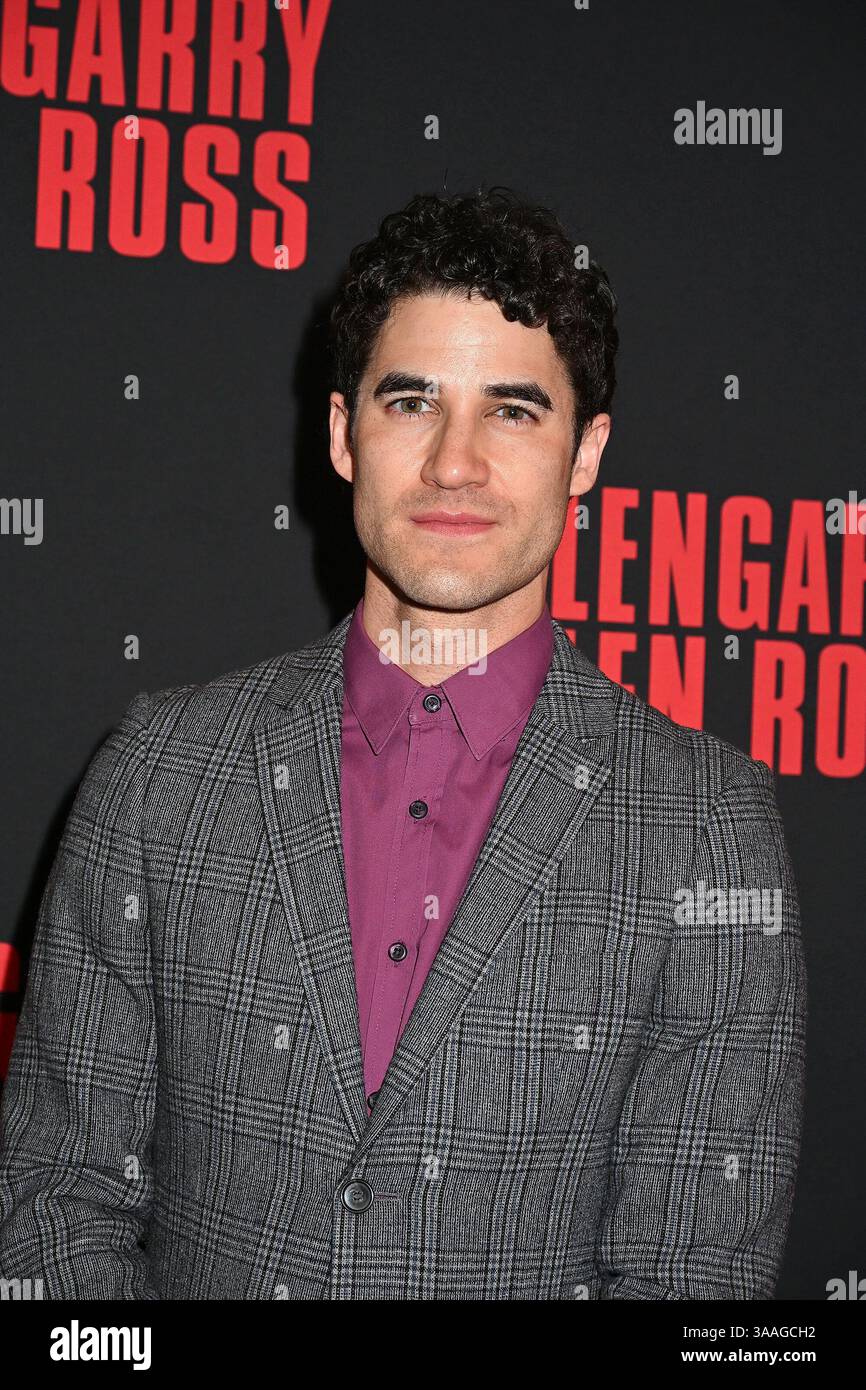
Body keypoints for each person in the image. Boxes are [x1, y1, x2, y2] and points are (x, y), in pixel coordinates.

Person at [0, 187, 806, 1299]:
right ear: (342, 432)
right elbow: (52, 1203)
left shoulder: (706, 824)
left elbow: (695, 1280)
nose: (454, 463)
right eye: (411, 401)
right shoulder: (157, 775)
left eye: (513, 410)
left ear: (585, 455)